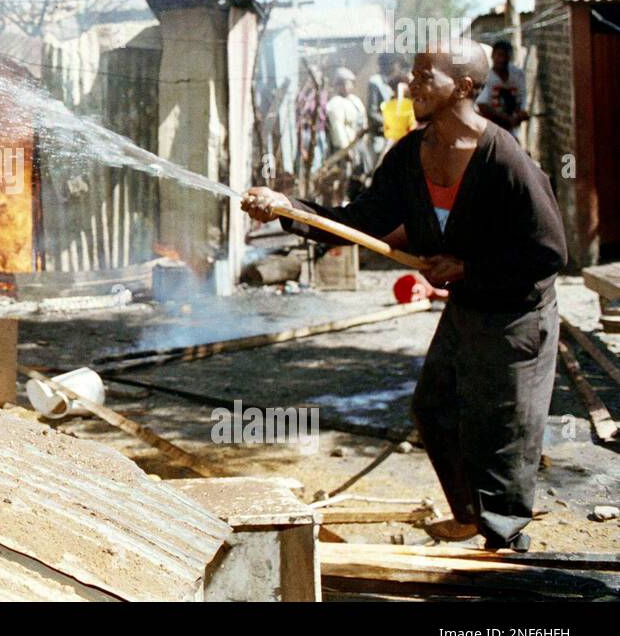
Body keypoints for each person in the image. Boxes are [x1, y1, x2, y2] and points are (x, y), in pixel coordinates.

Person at [242, 38, 566, 552]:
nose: (409, 85)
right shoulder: (410, 155)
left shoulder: (505, 159)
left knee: (500, 426)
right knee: (435, 408)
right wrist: (289, 209)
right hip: (468, 305)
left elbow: (549, 252)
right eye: (411, 76)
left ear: (462, 87)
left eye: (423, 77)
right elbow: (357, 221)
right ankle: (470, 514)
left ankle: (505, 545)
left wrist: (468, 265)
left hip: (516, 312)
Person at [324, 67, 370, 202]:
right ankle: (341, 201)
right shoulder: (335, 103)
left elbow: (362, 121)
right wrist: (346, 150)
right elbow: (338, 127)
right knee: (345, 176)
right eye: (342, 83)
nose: (346, 86)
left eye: (348, 82)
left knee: (360, 174)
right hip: (345, 147)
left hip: (359, 145)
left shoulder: (355, 100)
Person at [476, 39, 529, 136]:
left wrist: (520, 113)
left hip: (511, 128)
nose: (502, 59)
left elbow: (522, 97)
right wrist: (506, 118)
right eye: (499, 55)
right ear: (493, 55)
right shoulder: (487, 76)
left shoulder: (517, 74)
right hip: (492, 126)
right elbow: (482, 105)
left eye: (505, 56)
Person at [367, 53, 409, 157]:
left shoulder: (394, 83)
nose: (398, 68)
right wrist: (391, 123)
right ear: (391, 64)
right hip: (380, 136)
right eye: (397, 64)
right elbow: (372, 112)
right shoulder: (375, 82)